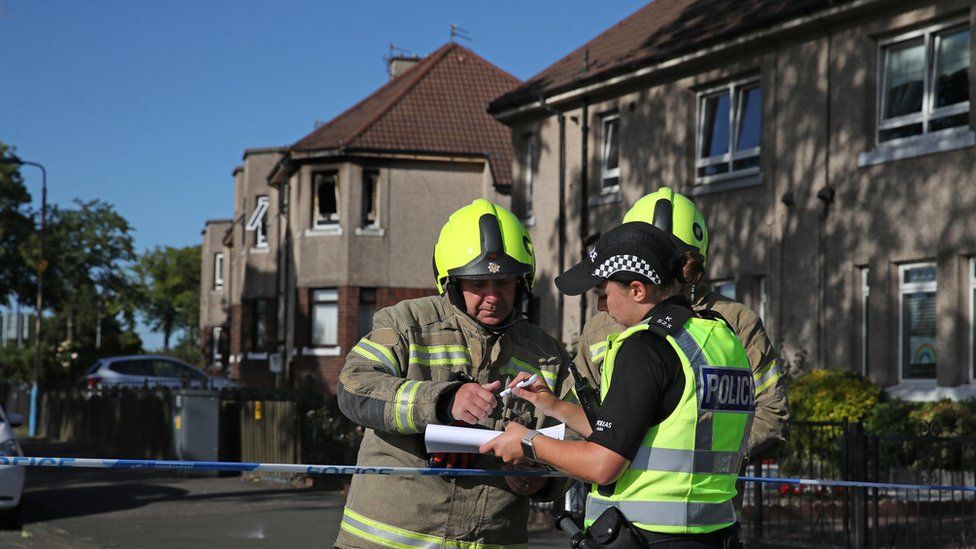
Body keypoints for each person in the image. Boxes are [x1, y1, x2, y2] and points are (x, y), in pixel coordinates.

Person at [481, 221, 753, 548]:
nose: (601, 307)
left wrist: (527, 441)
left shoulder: (646, 346)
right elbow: (645, 430)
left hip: (649, 536)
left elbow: (602, 465)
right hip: (716, 532)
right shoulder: (718, 337)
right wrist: (552, 406)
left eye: (604, 293)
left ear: (638, 289)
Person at [335, 199, 572, 549]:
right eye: (478, 284)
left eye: (504, 283)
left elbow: (578, 436)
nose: (492, 297)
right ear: (451, 282)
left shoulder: (545, 354)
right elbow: (354, 387)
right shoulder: (406, 323)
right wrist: (444, 400)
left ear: (523, 283)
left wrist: (545, 477)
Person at [576, 187, 788, 463]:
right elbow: (576, 408)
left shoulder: (736, 323)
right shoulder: (600, 328)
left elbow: (771, 414)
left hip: (706, 494)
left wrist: (700, 457)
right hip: (616, 499)